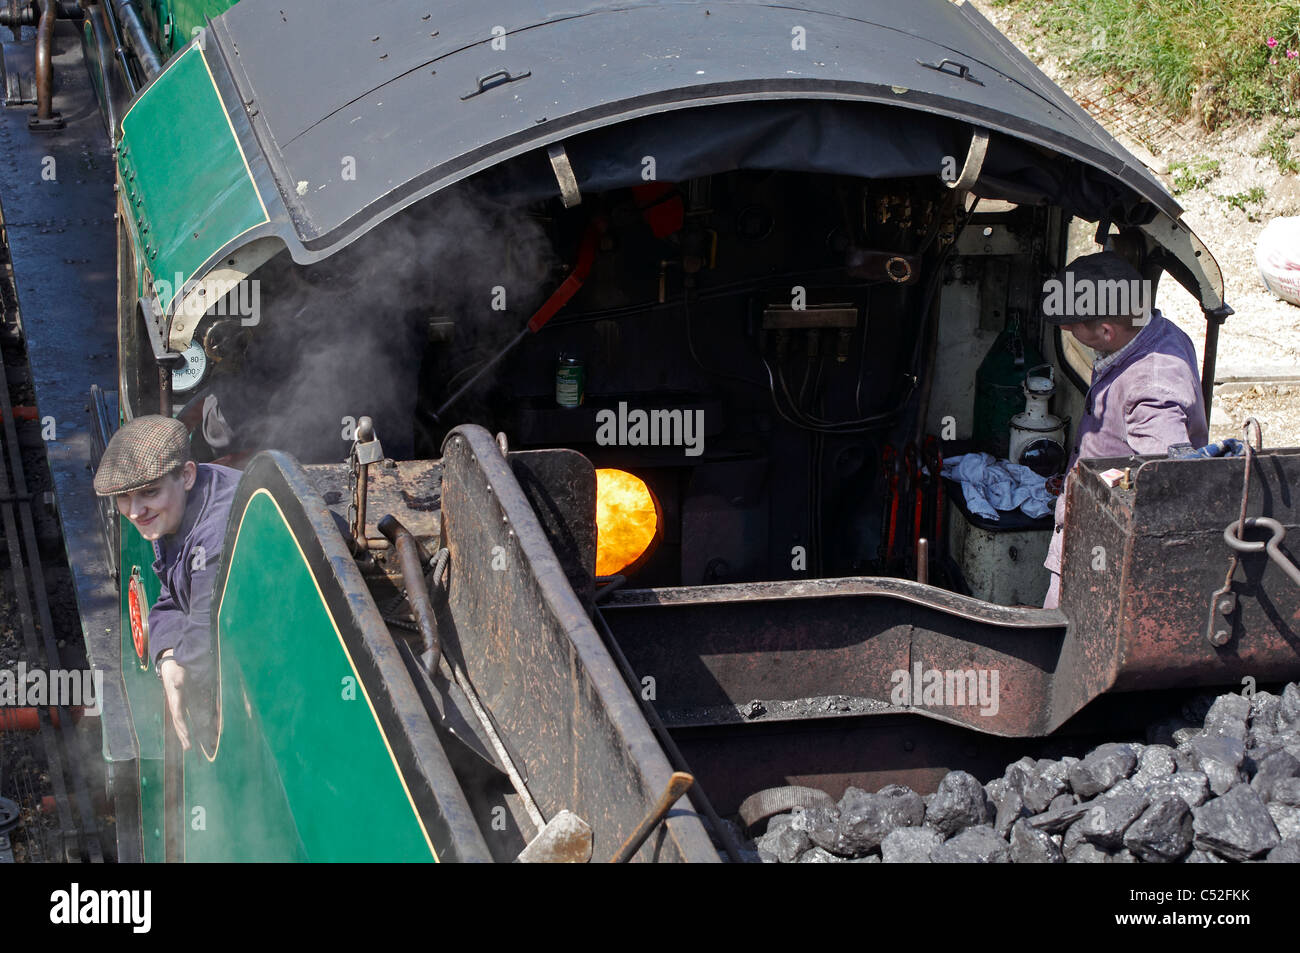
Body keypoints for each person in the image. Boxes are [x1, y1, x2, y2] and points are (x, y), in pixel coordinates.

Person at [1041, 252, 1208, 609]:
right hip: (1086, 534)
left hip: (1098, 556)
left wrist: (1099, 482)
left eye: (1073, 326)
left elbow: (1162, 486)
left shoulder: (1152, 389)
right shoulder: (1156, 332)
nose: (1066, 330)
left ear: (1106, 331)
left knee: (1059, 643)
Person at [94, 415, 240, 749]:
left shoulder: (214, 538)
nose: (135, 511)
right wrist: (168, 657)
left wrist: (184, 666)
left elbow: (203, 648)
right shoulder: (178, 507)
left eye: (149, 492)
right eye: (124, 497)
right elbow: (172, 595)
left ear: (186, 475)